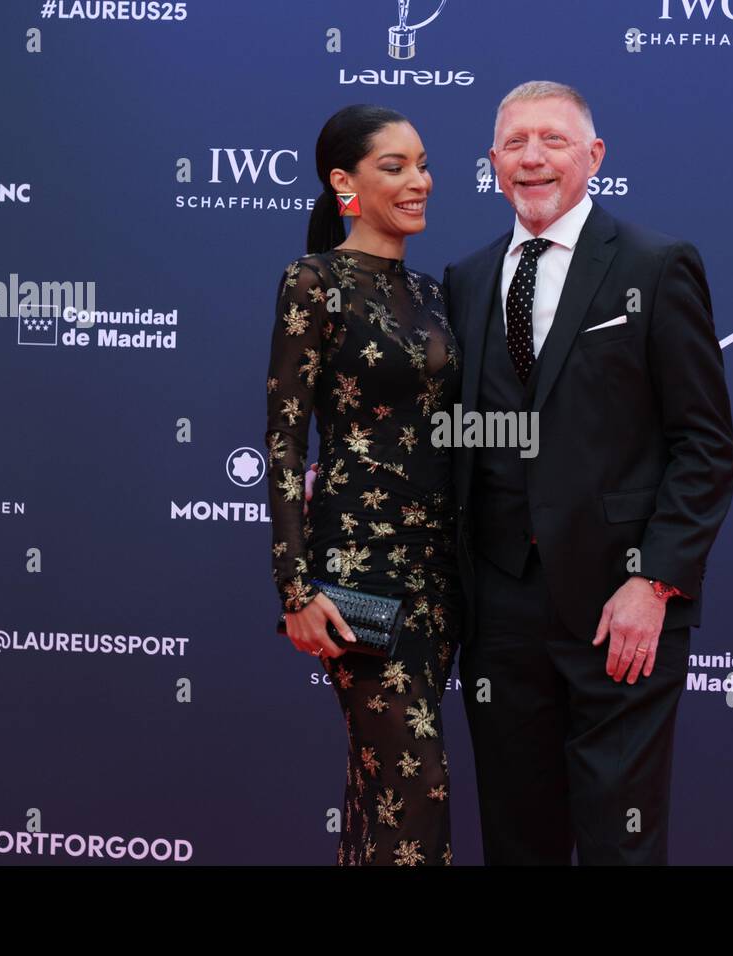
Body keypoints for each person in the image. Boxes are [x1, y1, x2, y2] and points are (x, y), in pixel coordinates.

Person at [441, 80, 733, 864]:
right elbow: (459, 432)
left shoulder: (655, 264)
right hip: (499, 615)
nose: (533, 158)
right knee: (517, 842)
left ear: (594, 156)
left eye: (554, 140)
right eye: (515, 143)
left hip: (622, 607)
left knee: (620, 844)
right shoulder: (466, 279)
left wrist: (657, 582)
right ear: (493, 163)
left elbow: (705, 443)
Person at [265, 104, 461, 866]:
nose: (420, 180)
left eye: (422, 163)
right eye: (396, 166)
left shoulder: (441, 295)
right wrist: (294, 589)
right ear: (344, 183)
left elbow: (461, 431)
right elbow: (285, 439)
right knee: (417, 794)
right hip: (354, 573)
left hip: (440, 574)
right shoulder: (313, 282)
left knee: (379, 793)